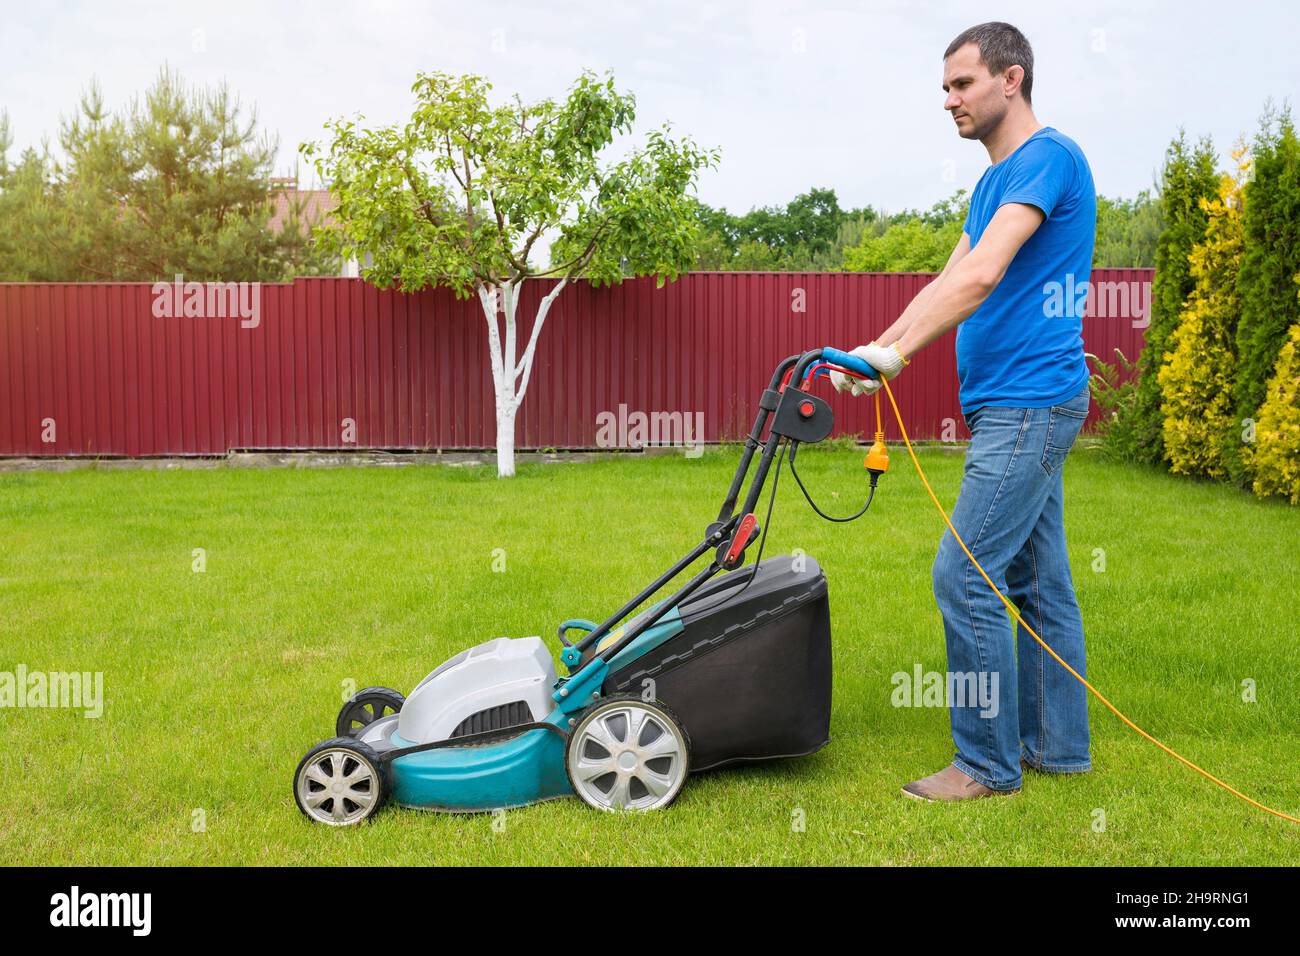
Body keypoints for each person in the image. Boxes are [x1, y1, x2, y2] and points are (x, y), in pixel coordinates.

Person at [831, 21, 1096, 802]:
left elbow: (982, 276)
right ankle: (1057, 746)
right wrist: (879, 349)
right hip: (1010, 405)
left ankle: (984, 763)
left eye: (962, 83)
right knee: (1038, 583)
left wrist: (901, 352)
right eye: (945, 87)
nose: (949, 99)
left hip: (1029, 402)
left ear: (1010, 80)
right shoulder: (992, 182)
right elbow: (948, 279)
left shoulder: (1048, 158)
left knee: (965, 574)